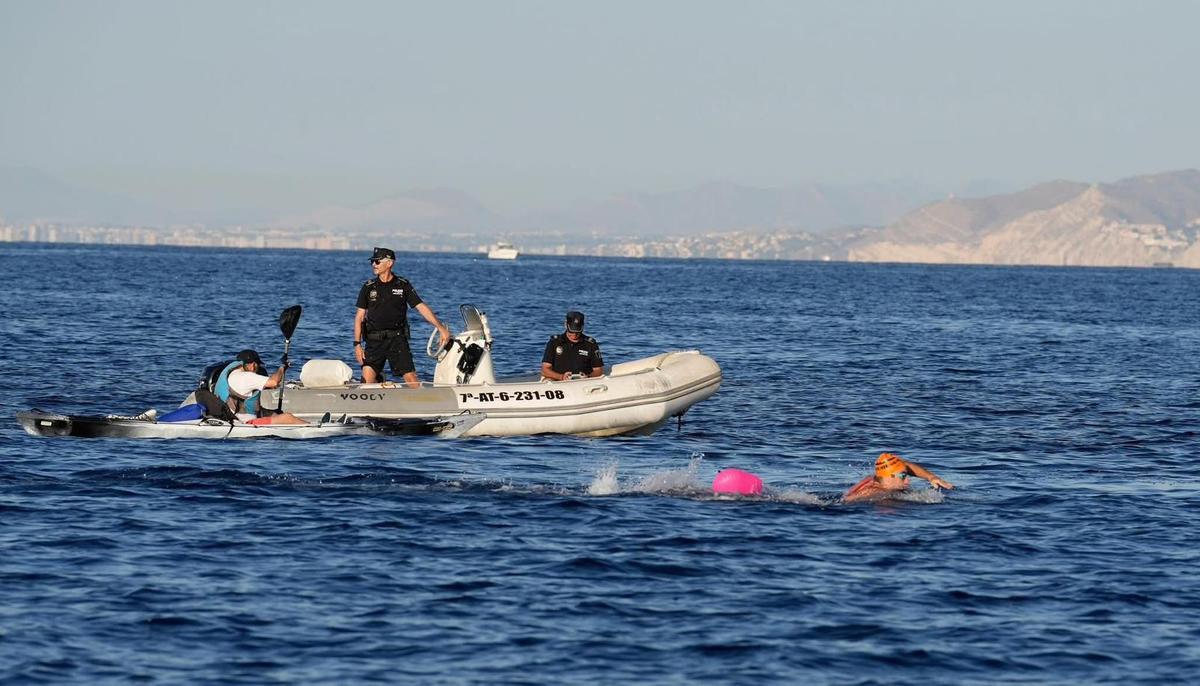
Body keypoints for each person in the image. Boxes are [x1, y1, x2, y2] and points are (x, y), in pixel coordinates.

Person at [354, 247, 450, 388]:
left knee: (412, 380)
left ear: (389, 263)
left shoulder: (402, 285)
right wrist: (357, 345)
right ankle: (377, 390)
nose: (374, 265)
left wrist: (441, 328)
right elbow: (359, 317)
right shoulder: (368, 287)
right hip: (374, 342)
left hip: (397, 340)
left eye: (377, 261)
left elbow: (421, 307)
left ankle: (423, 405)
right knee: (366, 383)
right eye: (372, 262)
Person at [223, 349, 307, 425]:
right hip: (245, 422)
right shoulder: (247, 377)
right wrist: (282, 367)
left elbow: (271, 386)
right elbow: (274, 383)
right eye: (258, 365)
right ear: (253, 364)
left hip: (236, 414)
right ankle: (312, 428)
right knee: (287, 417)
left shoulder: (234, 374)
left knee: (277, 414)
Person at [842, 452, 955, 503]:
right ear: (890, 476)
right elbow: (847, 502)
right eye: (903, 476)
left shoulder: (881, 476)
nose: (907, 480)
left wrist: (932, 477)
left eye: (906, 475)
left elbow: (905, 465)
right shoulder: (875, 492)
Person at [541, 310, 604, 381]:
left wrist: (588, 377)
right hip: (558, 380)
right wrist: (561, 377)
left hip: (584, 381)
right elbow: (545, 369)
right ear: (566, 325)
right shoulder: (554, 342)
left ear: (582, 327)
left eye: (577, 332)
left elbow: (598, 370)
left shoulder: (590, 343)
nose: (574, 335)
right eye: (571, 331)